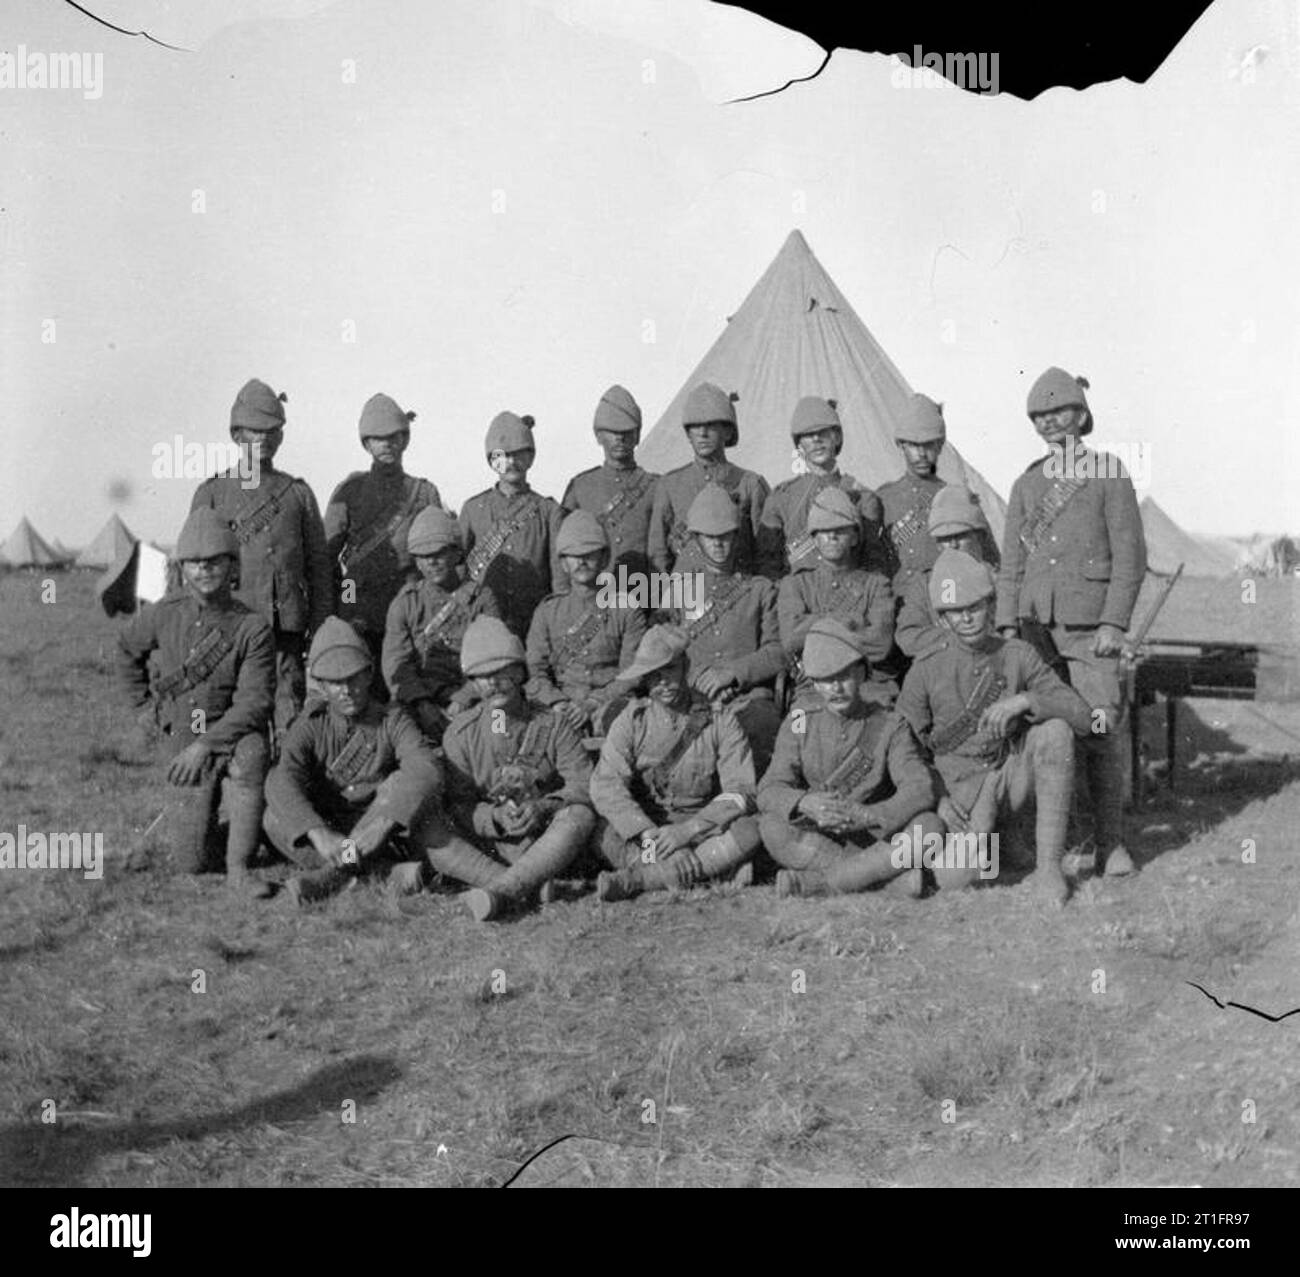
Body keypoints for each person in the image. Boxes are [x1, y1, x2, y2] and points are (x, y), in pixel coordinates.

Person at [995, 368, 1146, 878]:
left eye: (1059, 412)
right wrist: (1008, 627)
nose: (1049, 423)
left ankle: (1111, 846)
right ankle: (1052, 847)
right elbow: (1011, 564)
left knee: (1100, 726)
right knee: (1049, 728)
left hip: (1090, 631)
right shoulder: (1026, 482)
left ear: (1081, 415)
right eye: (1039, 416)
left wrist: (1114, 623)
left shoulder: (1108, 472)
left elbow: (1130, 555)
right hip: (1036, 630)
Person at [899, 550, 1095, 904]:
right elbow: (902, 747)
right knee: (958, 877)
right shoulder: (926, 668)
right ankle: (999, 843)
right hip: (959, 793)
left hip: (1009, 777)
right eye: (957, 611)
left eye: (975, 606)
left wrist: (1026, 701)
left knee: (1056, 732)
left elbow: (1082, 715)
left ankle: (1048, 868)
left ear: (990, 605)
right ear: (944, 618)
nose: (968, 618)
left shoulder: (1018, 654)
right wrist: (936, 798)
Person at [116, 509, 275, 895]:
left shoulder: (251, 626)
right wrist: (145, 711)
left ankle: (240, 867)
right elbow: (125, 650)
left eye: (214, 561)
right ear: (182, 567)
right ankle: (235, 831)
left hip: (232, 732)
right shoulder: (163, 614)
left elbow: (255, 700)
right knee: (191, 863)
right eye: (194, 563)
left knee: (253, 754)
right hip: (185, 732)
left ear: (232, 565)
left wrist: (206, 745)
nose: (204, 570)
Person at [263, 617, 444, 905]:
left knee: (399, 782)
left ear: (369, 674)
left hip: (374, 826)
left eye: (354, 678)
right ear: (321, 685)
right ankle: (381, 875)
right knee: (273, 818)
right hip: (330, 826)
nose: (347, 691)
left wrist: (384, 822)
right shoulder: (311, 723)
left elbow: (426, 767)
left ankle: (327, 880)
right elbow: (282, 778)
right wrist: (318, 832)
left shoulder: (392, 718)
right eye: (336, 683)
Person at [191, 378, 332, 742]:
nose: (265, 439)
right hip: (230, 632)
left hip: (286, 634)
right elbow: (192, 571)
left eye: (273, 431)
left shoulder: (297, 494)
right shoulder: (212, 494)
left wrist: (319, 630)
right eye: (255, 431)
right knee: (235, 721)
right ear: (237, 435)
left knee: (289, 719)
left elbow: (321, 569)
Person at [758, 619, 940, 897]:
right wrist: (805, 802)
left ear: (861, 673)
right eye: (825, 680)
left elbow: (919, 788)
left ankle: (822, 885)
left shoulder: (891, 724)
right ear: (814, 683)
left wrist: (869, 816)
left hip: (877, 838)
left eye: (843, 676)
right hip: (822, 838)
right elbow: (770, 788)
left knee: (929, 828)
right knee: (771, 826)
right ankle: (884, 883)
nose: (836, 689)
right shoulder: (800, 721)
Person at [430, 617, 596, 921]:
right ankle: (531, 885)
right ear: (472, 683)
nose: (492, 683)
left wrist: (543, 807)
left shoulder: (553, 723)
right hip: (494, 843)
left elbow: (584, 783)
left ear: (519, 671)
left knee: (580, 815)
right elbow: (459, 804)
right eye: (482, 676)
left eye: (501, 672)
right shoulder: (460, 734)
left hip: (547, 837)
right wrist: (494, 817)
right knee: (431, 829)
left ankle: (503, 891)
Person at [590, 626, 760, 901]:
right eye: (653, 675)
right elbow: (607, 785)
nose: (662, 682)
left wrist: (687, 832)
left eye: (669, 670)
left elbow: (742, 790)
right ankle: (705, 870)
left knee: (751, 829)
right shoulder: (632, 720)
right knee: (602, 831)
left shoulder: (720, 719)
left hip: (701, 827)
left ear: (685, 666)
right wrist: (649, 835)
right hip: (648, 831)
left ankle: (640, 880)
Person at [662, 484, 785, 774]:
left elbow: (777, 651)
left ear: (736, 536)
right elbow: (662, 650)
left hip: (748, 698)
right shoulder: (677, 591)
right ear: (696, 539)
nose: (719, 545)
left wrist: (732, 674)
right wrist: (700, 677)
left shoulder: (760, 590)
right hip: (690, 697)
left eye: (725, 536)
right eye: (710, 537)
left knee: (761, 726)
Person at [324, 393, 441, 686]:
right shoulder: (349, 490)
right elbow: (326, 556)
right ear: (366, 443)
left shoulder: (424, 492)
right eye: (378, 438)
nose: (387, 444)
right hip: (357, 603)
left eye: (394, 436)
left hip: (409, 602)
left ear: (405, 439)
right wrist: (343, 602)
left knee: (409, 686)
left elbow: (440, 550)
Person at [382, 506, 500, 745]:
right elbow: (397, 665)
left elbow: (494, 660)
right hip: (419, 701)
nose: (432, 562)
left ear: (456, 554)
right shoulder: (406, 603)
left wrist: (464, 698)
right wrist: (422, 703)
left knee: (500, 724)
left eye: (439, 553)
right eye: (423, 556)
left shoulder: (481, 598)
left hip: (474, 697)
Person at [525, 510, 646, 736]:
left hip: (611, 704)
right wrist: (556, 702)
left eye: (589, 553)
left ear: (604, 558)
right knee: (514, 729)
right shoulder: (548, 612)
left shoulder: (626, 609)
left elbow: (632, 673)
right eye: (573, 555)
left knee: (626, 723)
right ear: (563, 563)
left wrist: (592, 703)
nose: (581, 561)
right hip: (562, 706)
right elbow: (536, 671)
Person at [776, 486, 895, 706]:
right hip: (812, 689)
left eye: (840, 530)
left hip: (868, 687)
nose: (831, 536)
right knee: (798, 727)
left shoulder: (877, 585)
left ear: (854, 537)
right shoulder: (796, 585)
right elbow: (791, 639)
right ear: (814, 539)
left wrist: (814, 628)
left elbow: (880, 645)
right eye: (823, 531)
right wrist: (852, 621)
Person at [458, 411, 565, 639]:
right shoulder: (472, 510)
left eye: (519, 454)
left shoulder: (548, 511)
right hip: (484, 625)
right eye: (503, 456)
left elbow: (560, 581)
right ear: (491, 460)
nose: (511, 463)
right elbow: (460, 574)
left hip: (535, 625)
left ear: (531, 457)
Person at [648, 382, 769, 577]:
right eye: (696, 426)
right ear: (688, 433)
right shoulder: (670, 485)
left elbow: (765, 552)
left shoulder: (750, 485)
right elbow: (658, 554)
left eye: (711, 425)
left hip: (739, 594)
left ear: (728, 431)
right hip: (689, 597)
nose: (703, 433)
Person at [758, 395, 887, 578]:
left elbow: (874, 562)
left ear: (837, 437)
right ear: (799, 444)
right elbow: (768, 564)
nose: (817, 439)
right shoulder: (781, 498)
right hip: (796, 599)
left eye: (824, 432)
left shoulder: (862, 497)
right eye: (808, 435)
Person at [561, 385, 659, 582]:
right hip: (594, 594)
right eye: (612, 431)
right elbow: (564, 546)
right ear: (598, 436)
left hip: (644, 593)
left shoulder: (657, 486)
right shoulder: (581, 487)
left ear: (637, 435)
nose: (620, 438)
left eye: (627, 431)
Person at [895, 484, 999, 658]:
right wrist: (965, 634)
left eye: (960, 535)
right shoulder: (925, 585)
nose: (953, 545)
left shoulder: (999, 581)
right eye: (945, 539)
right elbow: (908, 637)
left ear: (979, 535)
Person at [877, 393, 949, 593]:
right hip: (898, 603)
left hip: (943, 599)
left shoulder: (955, 497)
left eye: (929, 445)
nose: (922, 454)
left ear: (940, 445)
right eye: (914, 446)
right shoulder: (883, 499)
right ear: (900, 445)